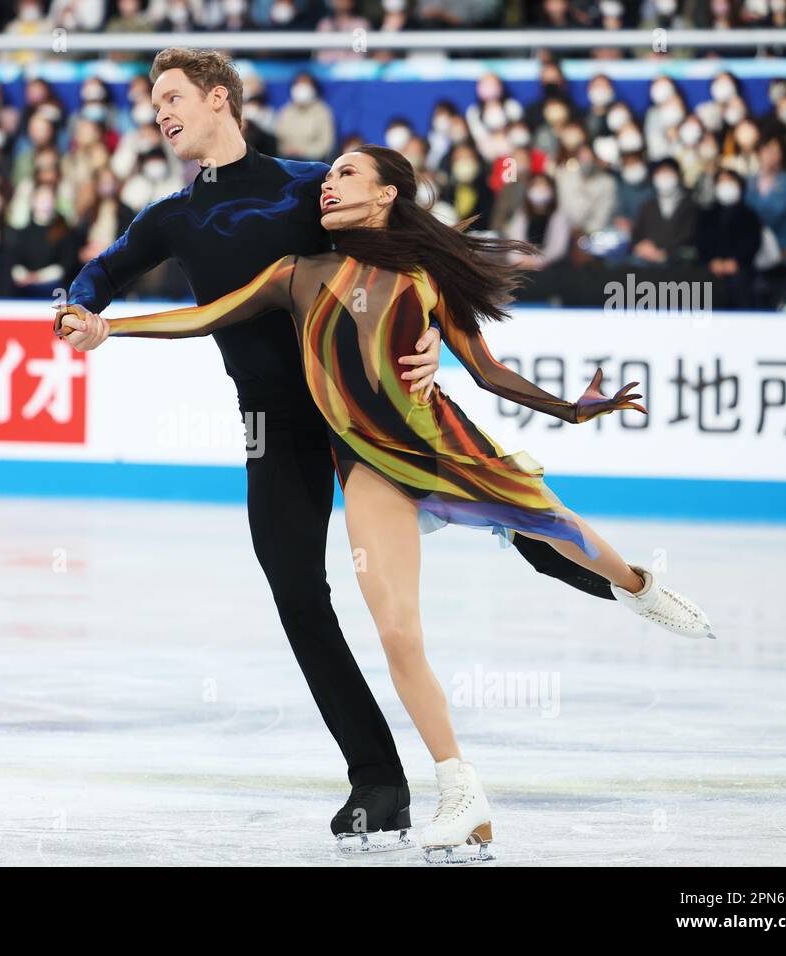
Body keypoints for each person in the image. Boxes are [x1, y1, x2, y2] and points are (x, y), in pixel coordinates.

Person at [57, 49, 652, 853]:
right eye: (152, 102)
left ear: (220, 100)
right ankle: (377, 780)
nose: (157, 113)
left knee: (505, 514)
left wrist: (430, 334)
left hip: (363, 414)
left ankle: (586, 563)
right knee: (296, 590)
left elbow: (406, 243)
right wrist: (81, 312)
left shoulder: (313, 185)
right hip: (272, 424)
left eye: (171, 98)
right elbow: (105, 270)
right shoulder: (171, 215)